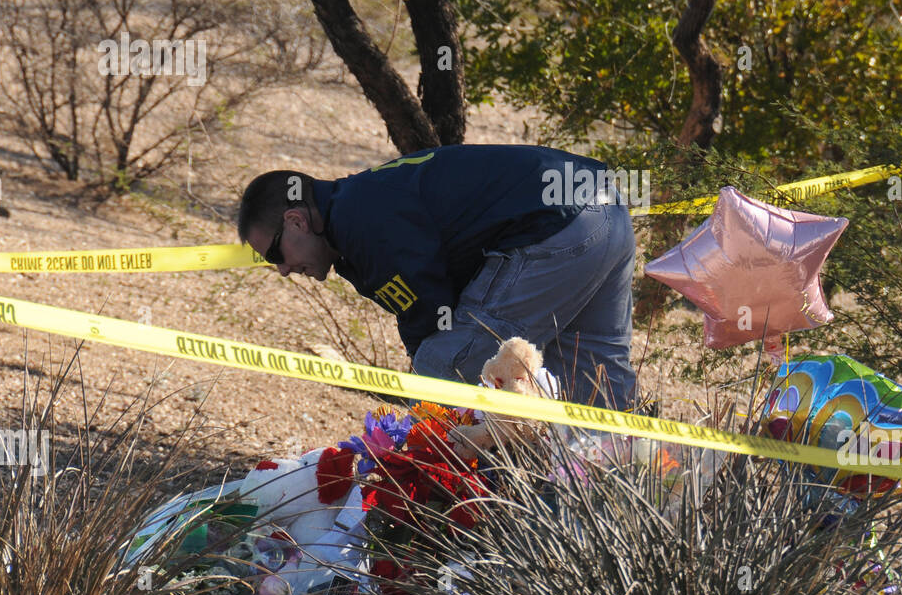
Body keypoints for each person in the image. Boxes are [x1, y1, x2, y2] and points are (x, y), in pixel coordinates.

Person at [236, 144, 638, 412]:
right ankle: (617, 503)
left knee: (440, 368)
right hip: (607, 206)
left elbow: (433, 316)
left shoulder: (360, 220)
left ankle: (454, 512)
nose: (283, 269)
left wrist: (425, 377)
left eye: (275, 253)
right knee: (597, 383)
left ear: (296, 219)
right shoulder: (358, 205)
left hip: (559, 224)